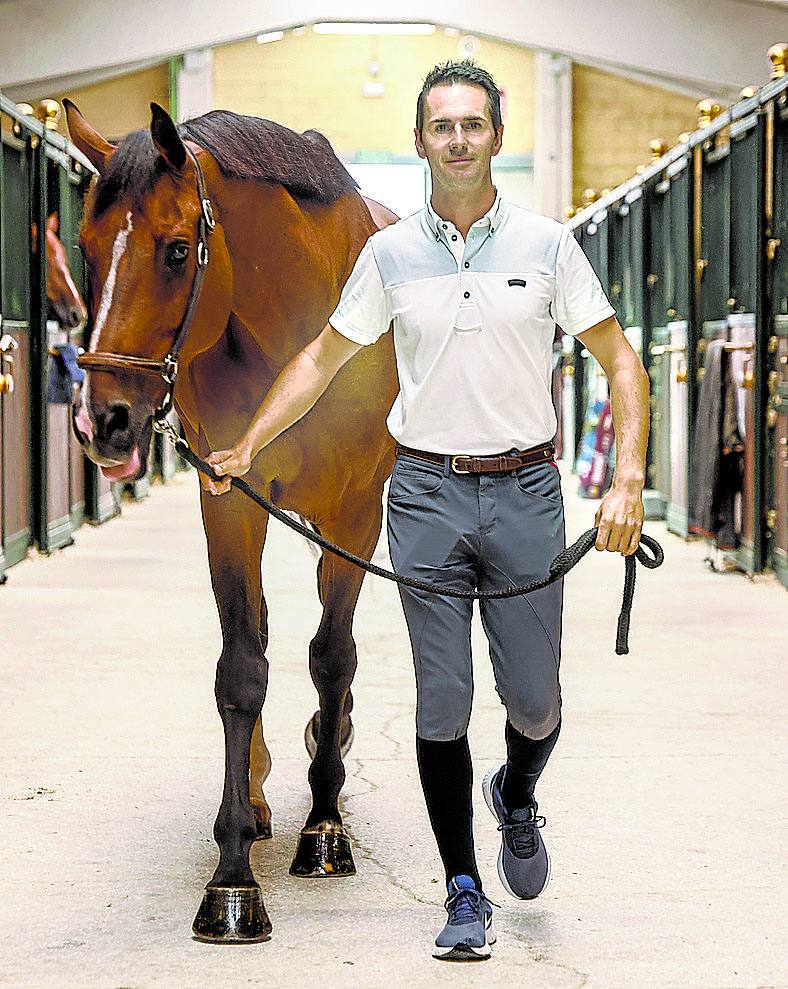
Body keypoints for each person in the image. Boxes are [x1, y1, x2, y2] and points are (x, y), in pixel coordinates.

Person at [206, 59, 649, 961]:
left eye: (474, 124)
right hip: (425, 491)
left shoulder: (548, 246)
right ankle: (462, 887)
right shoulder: (389, 254)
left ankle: (516, 793)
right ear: (419, 141)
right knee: (442, 700)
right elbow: (319, 361)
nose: (458, 140)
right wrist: (248, 441)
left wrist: (630, 473)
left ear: (496, 135)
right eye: (441, 126)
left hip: (525, 488)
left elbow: (624, 361)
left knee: (535, 702)